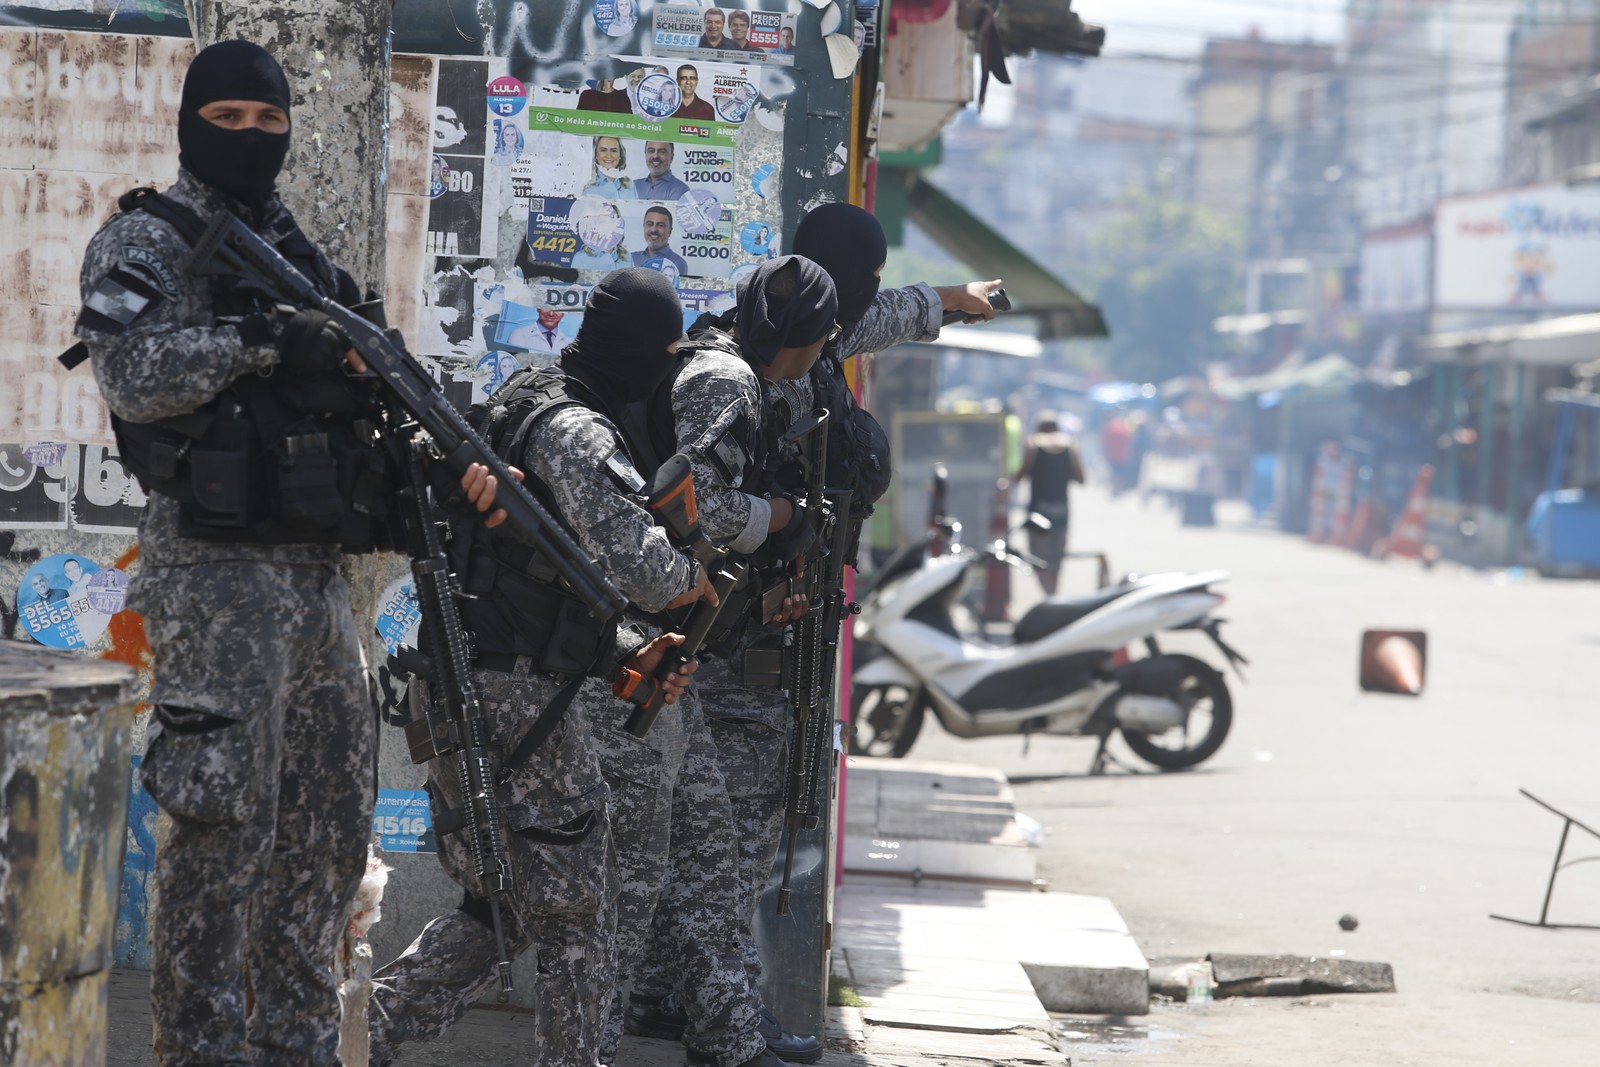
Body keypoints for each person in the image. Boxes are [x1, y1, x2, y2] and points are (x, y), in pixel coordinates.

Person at [74, 39, 510, 1067]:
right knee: (219, 834)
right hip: (214, 579)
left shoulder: (303, 258)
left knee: (321, 844)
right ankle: (199, 1048)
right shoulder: (147, 239)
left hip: (320, 584)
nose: (251, 139)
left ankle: (302, 1045)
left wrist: (465, 470)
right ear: (192, 124)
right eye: (228, 122)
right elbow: (133, 373)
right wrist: (272, 341)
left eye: (269, 124)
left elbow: (377, 390)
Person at [368, 269, 713, 1067]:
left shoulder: (526, 394)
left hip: (483, 673)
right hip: (517, 691)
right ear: (644, 352)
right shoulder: (577, 430)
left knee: (504, 906)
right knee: (579, 912)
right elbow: (643, 564)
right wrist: (694, 573)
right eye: (664, 356)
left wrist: (627, 650)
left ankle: (358, 1035)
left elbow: (543, 572)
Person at [624, 256, 840, 1067]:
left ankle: (680, 1005)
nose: (820, 354)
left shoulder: (736, 365)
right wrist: (784, 515)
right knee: (716, 854)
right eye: (818, 339)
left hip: (684, 631)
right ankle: (725, 1028)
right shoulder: (728, 379)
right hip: (680, 637)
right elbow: (700, 502)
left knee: (692, 850)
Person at [1014, 412, 1085, 596]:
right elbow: (1081, 478)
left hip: (1038, 510)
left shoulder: (1033, 443)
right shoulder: (1070, 445)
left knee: (1038, 557)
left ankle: (1050, 596)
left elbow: (1018, 476)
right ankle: (1053, 595)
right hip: (1062, 510)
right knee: (1057, 559)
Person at [631, 205, 689, 275]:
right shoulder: (632, 258)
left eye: (660, 225)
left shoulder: (678, 263)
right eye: (650, 224)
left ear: (670, 231)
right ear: (644, 227)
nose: (654, 229)